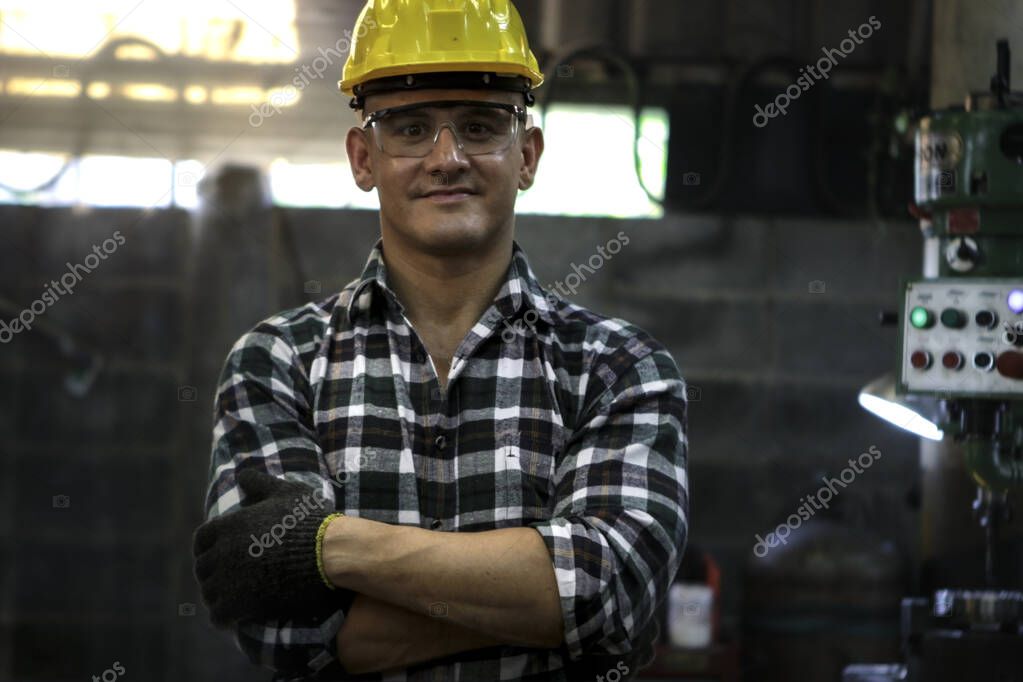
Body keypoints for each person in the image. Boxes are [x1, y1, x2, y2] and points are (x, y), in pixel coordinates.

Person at [191, 1, 689, 680]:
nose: (446, 157)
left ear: (527, 155)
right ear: (363, 157)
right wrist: (546, 607)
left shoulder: (619, 368)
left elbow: (615, 594)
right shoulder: (277, 363)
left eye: (480, 126)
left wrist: (330, 548)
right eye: (411, 128)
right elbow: (286, 637)